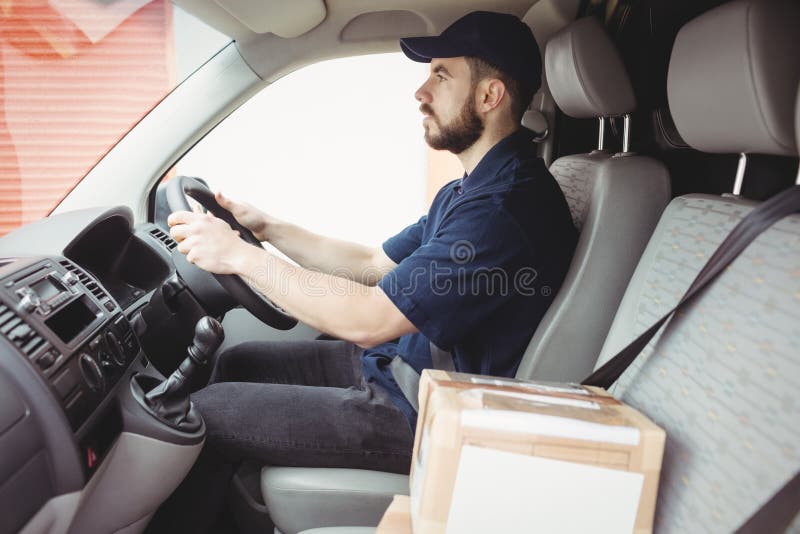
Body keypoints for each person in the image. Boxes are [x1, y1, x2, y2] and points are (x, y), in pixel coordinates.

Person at [149, 11, 576, 533]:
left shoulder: (503, 210)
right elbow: (373, 264)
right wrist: (267, 228)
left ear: (490, 96)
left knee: (203, 412)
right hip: (400, 370)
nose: (421, 92)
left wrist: (240, 257)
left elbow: (371, 319)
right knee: (239, 361)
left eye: (441, 76)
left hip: (424, 413)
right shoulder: (470, 188)